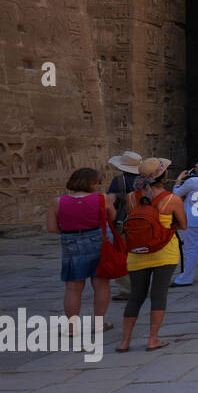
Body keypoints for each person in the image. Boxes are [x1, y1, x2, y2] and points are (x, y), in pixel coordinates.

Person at [118, 157, 185, 352]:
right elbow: (183, 224)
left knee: (135, 296)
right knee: (158, 295)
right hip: (164, 250)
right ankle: (153, 339)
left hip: (137, 253)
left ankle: (124, 341)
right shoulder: (172, 199)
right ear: (163, 175)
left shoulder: (131, 197)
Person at [45, 167, 112, 333]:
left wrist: (71, 233)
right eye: (97, 182)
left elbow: (51, 228)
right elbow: (112, 217)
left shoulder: (57, 202)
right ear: (92, 183)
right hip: (97, 241)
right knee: (101, 285)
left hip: (71, 242)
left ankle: (71, 327)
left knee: (73, 288)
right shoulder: (103, 199)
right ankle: (98, 324)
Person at [104, 150, 142, 301]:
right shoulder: (145, 180)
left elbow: (110, 201)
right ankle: (141, 285)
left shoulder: (119, 181)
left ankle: (127, 289)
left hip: (124, 222)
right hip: (142, 221)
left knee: (122, 255)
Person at [171, 159, 198, 287]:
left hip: (192, 219)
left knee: (190, 249)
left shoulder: (192, 181)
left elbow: (176, 195)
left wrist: (178, 179)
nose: (196, 166)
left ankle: (186, 278)